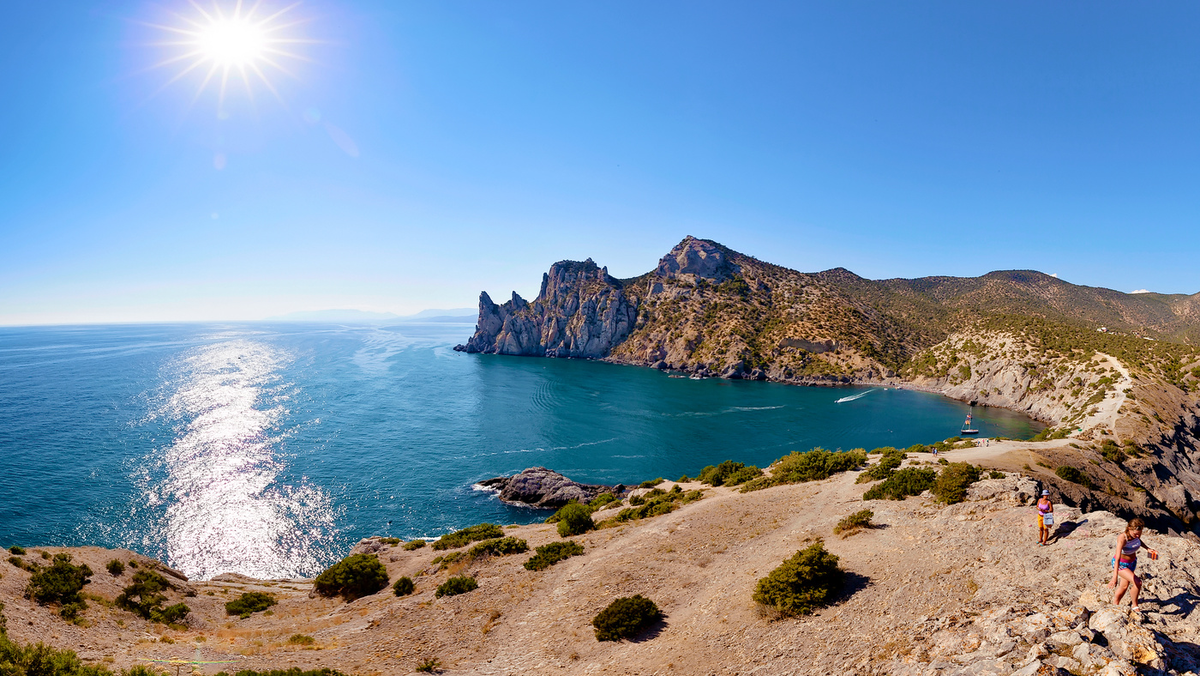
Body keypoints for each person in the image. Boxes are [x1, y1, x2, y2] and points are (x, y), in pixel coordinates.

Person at [1108, 517, 1159, 613]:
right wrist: (1114, 577)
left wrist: (1148, 549)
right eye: (1136, 534)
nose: (1137, 536)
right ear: (1129, 529)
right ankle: (1135, 605)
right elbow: (1118, 557)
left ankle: (1115, 604)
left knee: (1124, 586)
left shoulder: (1136, 536)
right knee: (1138, 582)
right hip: (1121, 564)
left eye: (1139, 534)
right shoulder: (1122, 538)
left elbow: (1138, 541)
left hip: (1132, 563)